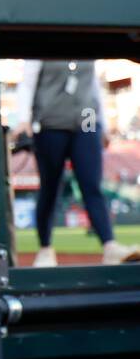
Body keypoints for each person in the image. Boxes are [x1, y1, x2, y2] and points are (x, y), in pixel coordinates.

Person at [13, 60, 139, 266]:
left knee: (92, 185)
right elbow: (27, 83)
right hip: (50, 121)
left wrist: (103, 124)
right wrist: (23, 119)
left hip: (87, 119)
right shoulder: (39, 45)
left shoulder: (86, 46)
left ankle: (109, 246)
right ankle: (45, 249)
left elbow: (94, 87)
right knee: (50, 187)